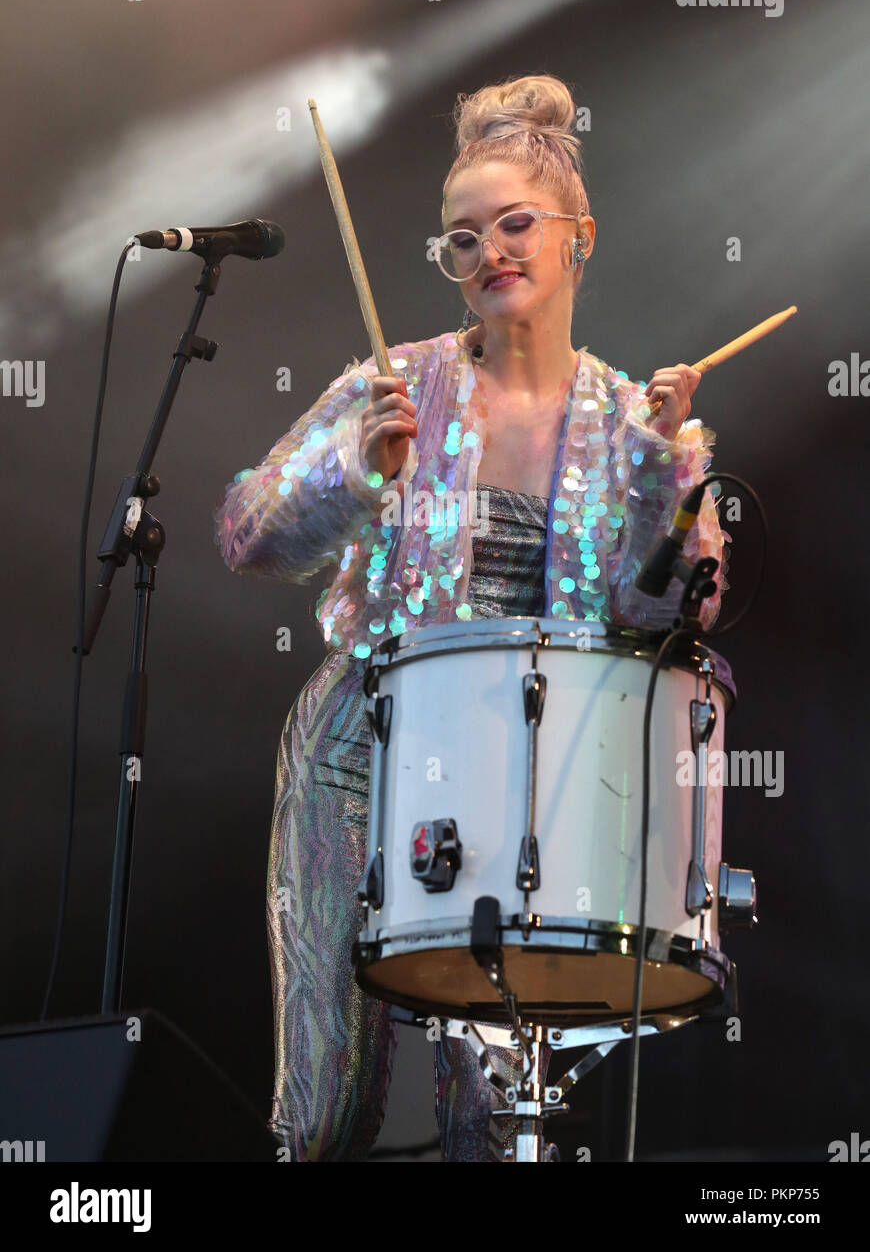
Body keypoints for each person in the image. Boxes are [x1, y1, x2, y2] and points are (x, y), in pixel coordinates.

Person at [213, 73, 727, 1162]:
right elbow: (245, 530)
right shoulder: (397, 386)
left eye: (515, 224)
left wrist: (660, 484)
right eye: (462, 238)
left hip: (521, 784)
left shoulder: (632, 419)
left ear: (580, 238)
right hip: (361, 752)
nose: (490, 250)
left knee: (496, 1120)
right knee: (326, 1106)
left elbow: (680, 615)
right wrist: (357, 472)